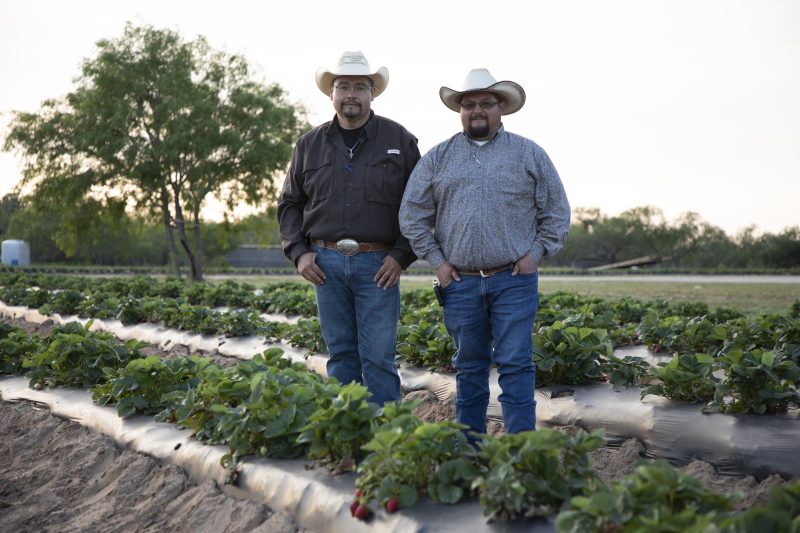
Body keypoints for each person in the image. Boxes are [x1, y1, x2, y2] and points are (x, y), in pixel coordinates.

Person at [399, 68, 570, 436]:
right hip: (459, 284)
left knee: (515, 364)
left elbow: (557, 211)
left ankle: (521, 450)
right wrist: (438, 261)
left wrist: (535, 253)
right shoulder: (438, 157)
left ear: (501, 108)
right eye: (469, 104)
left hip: (513, 280)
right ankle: (470, 448)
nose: (477, 110)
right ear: (460, 111)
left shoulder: (529, 154)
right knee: (470, 367)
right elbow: (411, 214)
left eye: (486, 103)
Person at [277, 51, 420, 406]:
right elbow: (289, 204)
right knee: (340, 355)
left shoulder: (399, 140)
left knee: (378, 358)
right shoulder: (308, 145)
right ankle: (349, 432)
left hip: (379, 265)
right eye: (343, 87)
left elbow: (420, 205)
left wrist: (401, 256)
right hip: (324, 264)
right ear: (331, 94)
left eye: (360, 87)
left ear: (373, 93)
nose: (351, 94)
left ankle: (387, 443)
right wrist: (299, 253)